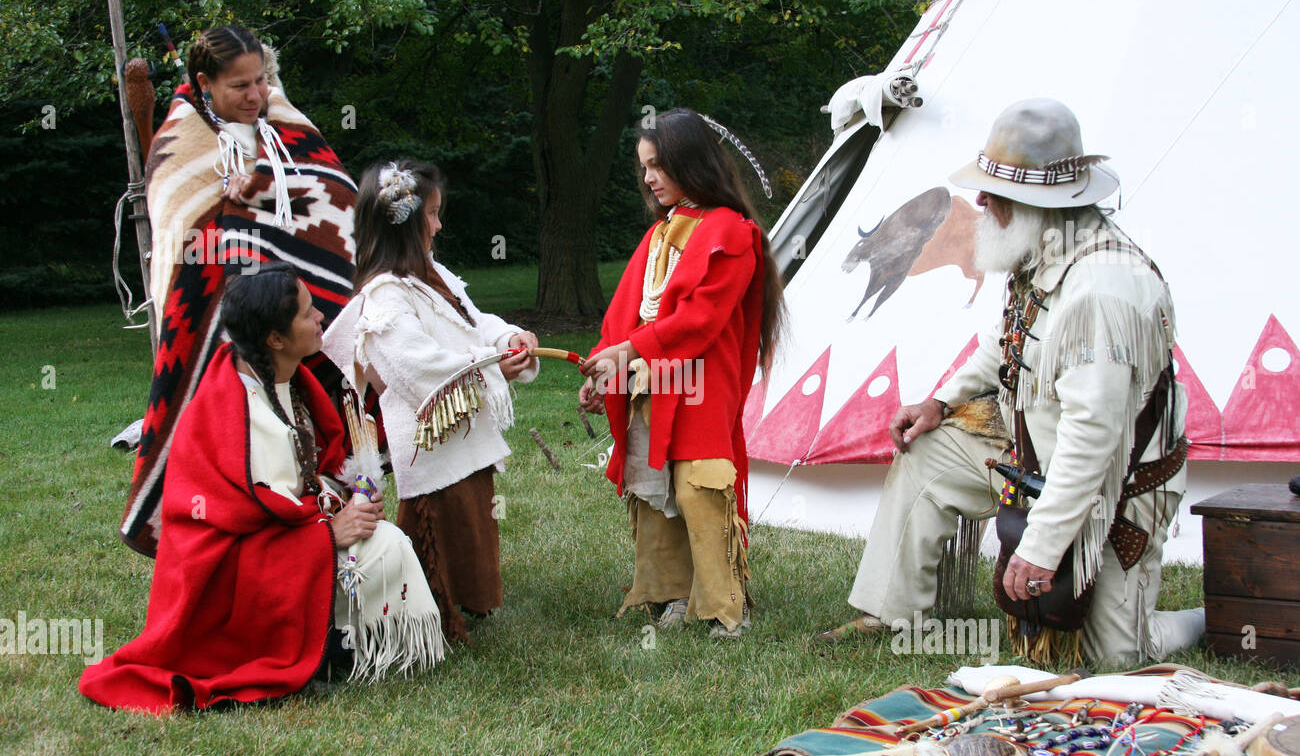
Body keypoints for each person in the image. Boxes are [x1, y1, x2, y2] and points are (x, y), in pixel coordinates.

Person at [819, 98, 1204, 664]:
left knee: (1113, 659)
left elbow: (1092, 440)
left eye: (993, 192)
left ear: (1035, 202)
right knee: (926, 452)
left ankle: (1208, 616)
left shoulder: (1102, 291)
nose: (979, 202)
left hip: (1114, 490)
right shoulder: (1047, 248)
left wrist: (1041, 547)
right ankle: (892, 611)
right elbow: (1006, 343)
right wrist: (941, 403)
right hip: (1031, 458)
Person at [81, 264, 444, 713]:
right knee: (384, 545)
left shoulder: (285, 382)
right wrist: (330, 531)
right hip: (226, 574)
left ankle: (345, 641)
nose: (321, 318)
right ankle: (331, 647)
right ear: (275, 339)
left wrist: (347, 500)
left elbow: (304, 480)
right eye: (307, 314)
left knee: (382, 540)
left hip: (277, 544)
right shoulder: (230, 410)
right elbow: (246, 518)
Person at [123, 23, 357, 557]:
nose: (255, 95)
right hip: (220, 326)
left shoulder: (281, 120)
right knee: (239, 450)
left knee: (311, 438)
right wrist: (239, 213)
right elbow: (182, 229)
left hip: (300, 315)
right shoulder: (180, 140)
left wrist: (259, 187)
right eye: (239, 86)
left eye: (260, 81)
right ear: (205, 83)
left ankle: (319, 543)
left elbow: (334, 194)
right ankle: (243, 555)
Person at [579, 108, 784, 639]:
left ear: (690, 162)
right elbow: (624, 313)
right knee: (654, 487)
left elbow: (701, 319)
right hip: (650, 382)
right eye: (644, 167)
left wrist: (627, 352)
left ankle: (724, 603)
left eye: (658, 165)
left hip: (702, 384)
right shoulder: (659, 234)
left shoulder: (732, 232)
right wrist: (603, 368)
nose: (649, 178)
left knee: (699, 487)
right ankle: (672, 592)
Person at [322, 160, 539, 644]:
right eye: (433, 215)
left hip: (461, 429)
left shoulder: (430, 272)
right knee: (440, 517)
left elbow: (472, 319)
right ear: (404, 224)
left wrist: (507, 337)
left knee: (472, 510)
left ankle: (466, 598)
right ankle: (430, 611)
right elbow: (417, 368)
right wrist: (489, 366)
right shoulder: (383, 299)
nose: (439, 226)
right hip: (428, 442)